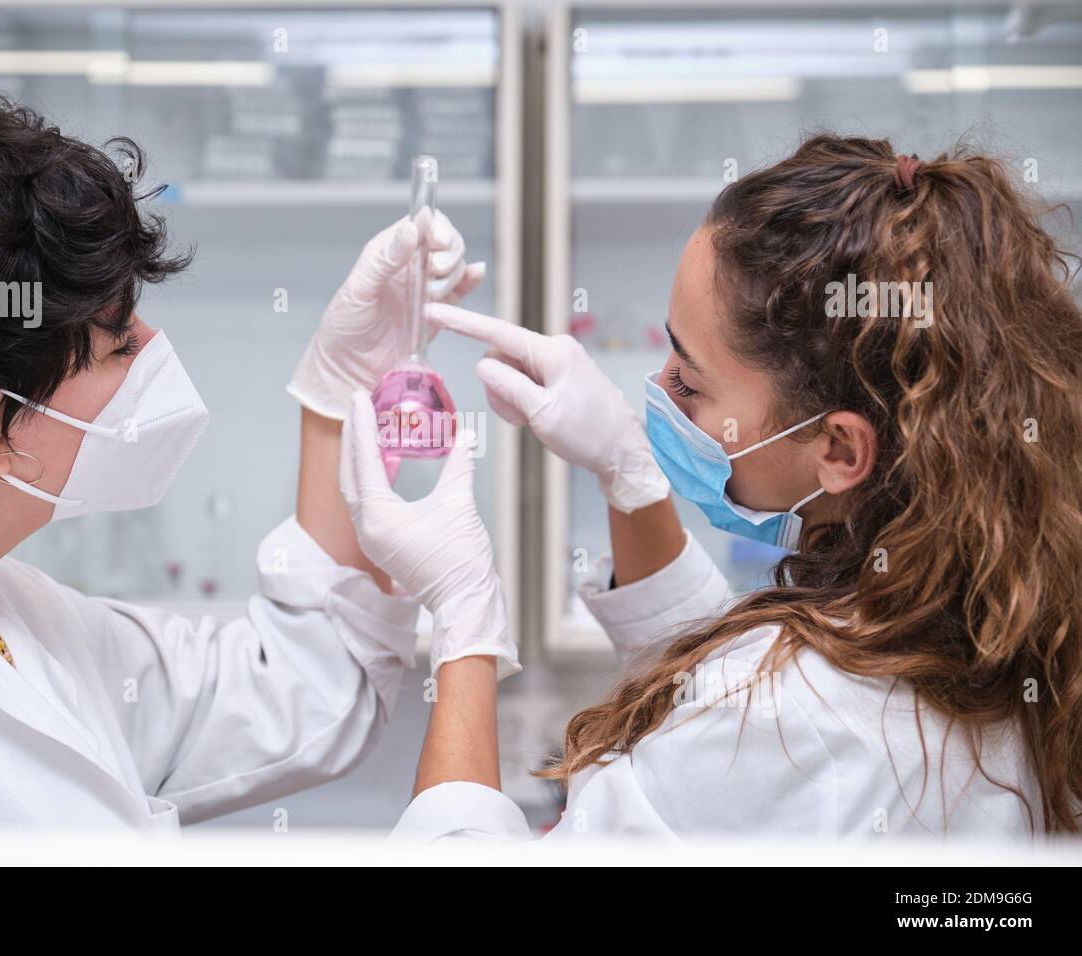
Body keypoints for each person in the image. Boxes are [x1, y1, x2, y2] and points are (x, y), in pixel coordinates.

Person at [341, 135, 1082, 841]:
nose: (657, 390)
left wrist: (464, 623)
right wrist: (627, 473)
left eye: (689, 382)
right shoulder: (997, 610)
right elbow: (724, 674)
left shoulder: (785, 724)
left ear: (839, 447)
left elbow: (746, 715)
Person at [0, 84, 486, 828]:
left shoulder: (8, 613)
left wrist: (338, 387)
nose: (158, 351)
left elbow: (302, 687)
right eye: (119, 344)